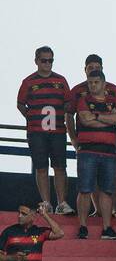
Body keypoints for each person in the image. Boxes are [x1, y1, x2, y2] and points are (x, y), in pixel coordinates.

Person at [17, 46, 74, 214]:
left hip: (57, 131)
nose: (47, 64)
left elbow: (68, 103)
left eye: (50, 60)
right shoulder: (28, 82)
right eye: (44, 60)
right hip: (37, 132)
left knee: (60, 167)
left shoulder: (61, 81)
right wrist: (31, 117)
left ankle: (62, 202)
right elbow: (20, 103)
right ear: (36, 61)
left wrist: (63, 115)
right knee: (41, 167)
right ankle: (46, 202)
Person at [71, 70, 116, 240]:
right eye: (90, 82)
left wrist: (96, 117)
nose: (92, 85)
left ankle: (107, 228)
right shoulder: (83, 100)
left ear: (103, 83)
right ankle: (83, 226)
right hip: (87, 151)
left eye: (96, 82)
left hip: (108, 152)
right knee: (85, 189)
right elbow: (85, 120)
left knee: (107, 191)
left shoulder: (113, 100)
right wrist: (105, 119)